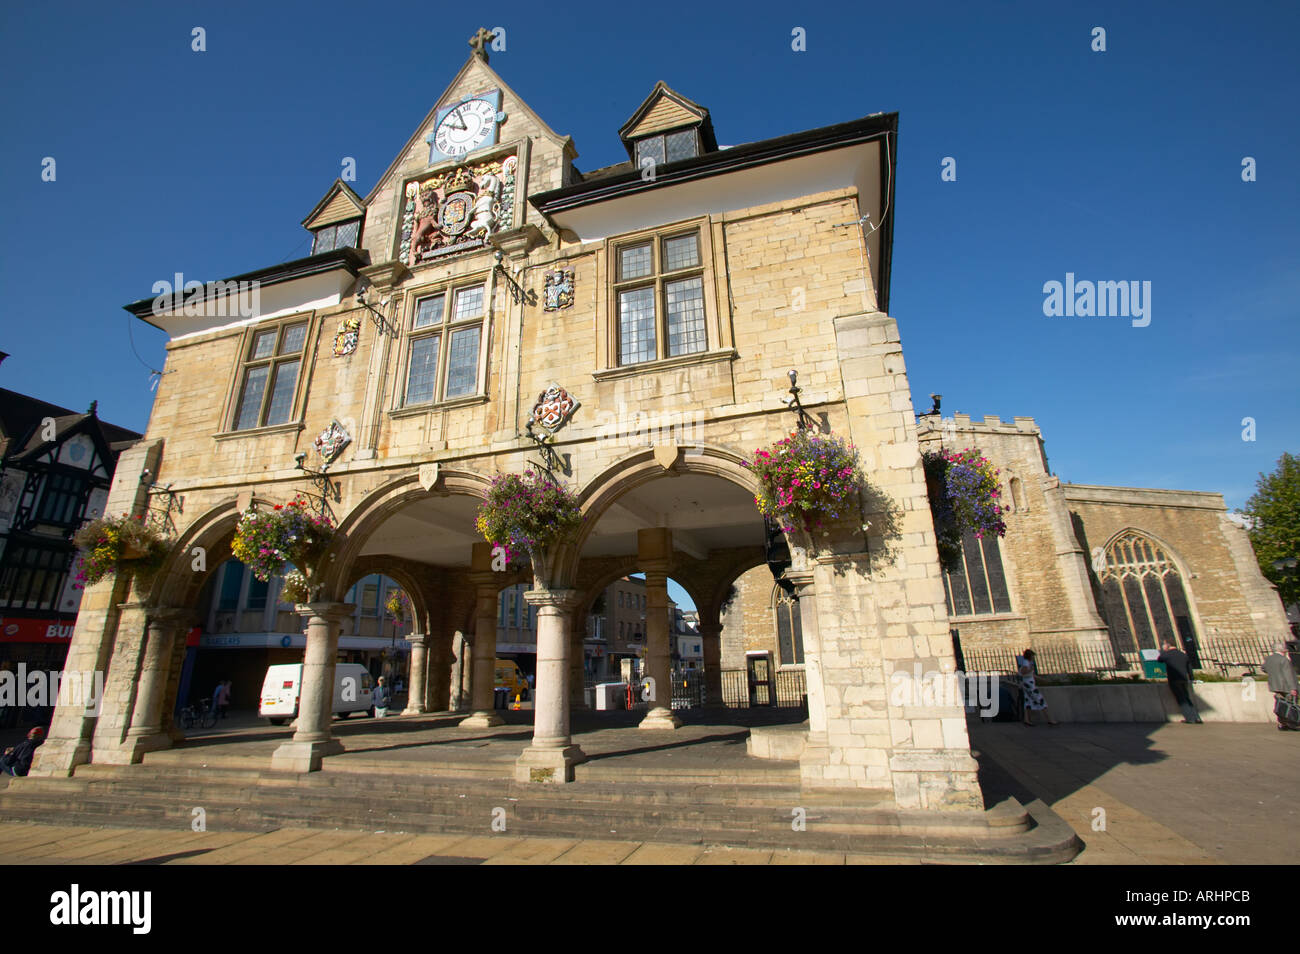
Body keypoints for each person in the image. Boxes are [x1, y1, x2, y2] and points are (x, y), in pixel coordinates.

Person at [1157, 640, 1202, 723]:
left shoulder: (1167, 654)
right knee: (1186, 698)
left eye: (1164, 645)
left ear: (1167, 645)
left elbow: (1159, 659)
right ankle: (1196, 718)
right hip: (1184, 679)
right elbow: (1189, 668)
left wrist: (1163, 651)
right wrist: (1191, 678)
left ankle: (1190, 719)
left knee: (1181, 700)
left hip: (1174, 679)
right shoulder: (1183, 654)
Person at [1263, 642, 1299, 731]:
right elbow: (1288, 675)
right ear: (1281, 649)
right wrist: (1293, 688)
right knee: (1291, 705)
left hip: (1275, 686)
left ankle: (1282, 723)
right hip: (1286, 687)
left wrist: (1273, 674)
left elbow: (1263, 668)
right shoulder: (1284, 660)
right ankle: (1291, 722)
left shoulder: (1269, 658)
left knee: (1281, 705)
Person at [1017, 649, 1058, 726]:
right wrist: (1030, 669)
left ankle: (1027, 719)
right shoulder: (1026, 663)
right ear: (1030, 656)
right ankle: (1050, 719)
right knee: (1040, 700)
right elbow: (1023, 672)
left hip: (1027, 684)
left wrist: (1043, 680)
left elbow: (1030, 675)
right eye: (1032, 656)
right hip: (1029, 685)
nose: (1033, 657)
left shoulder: (1027, 662)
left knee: (1028, 702)